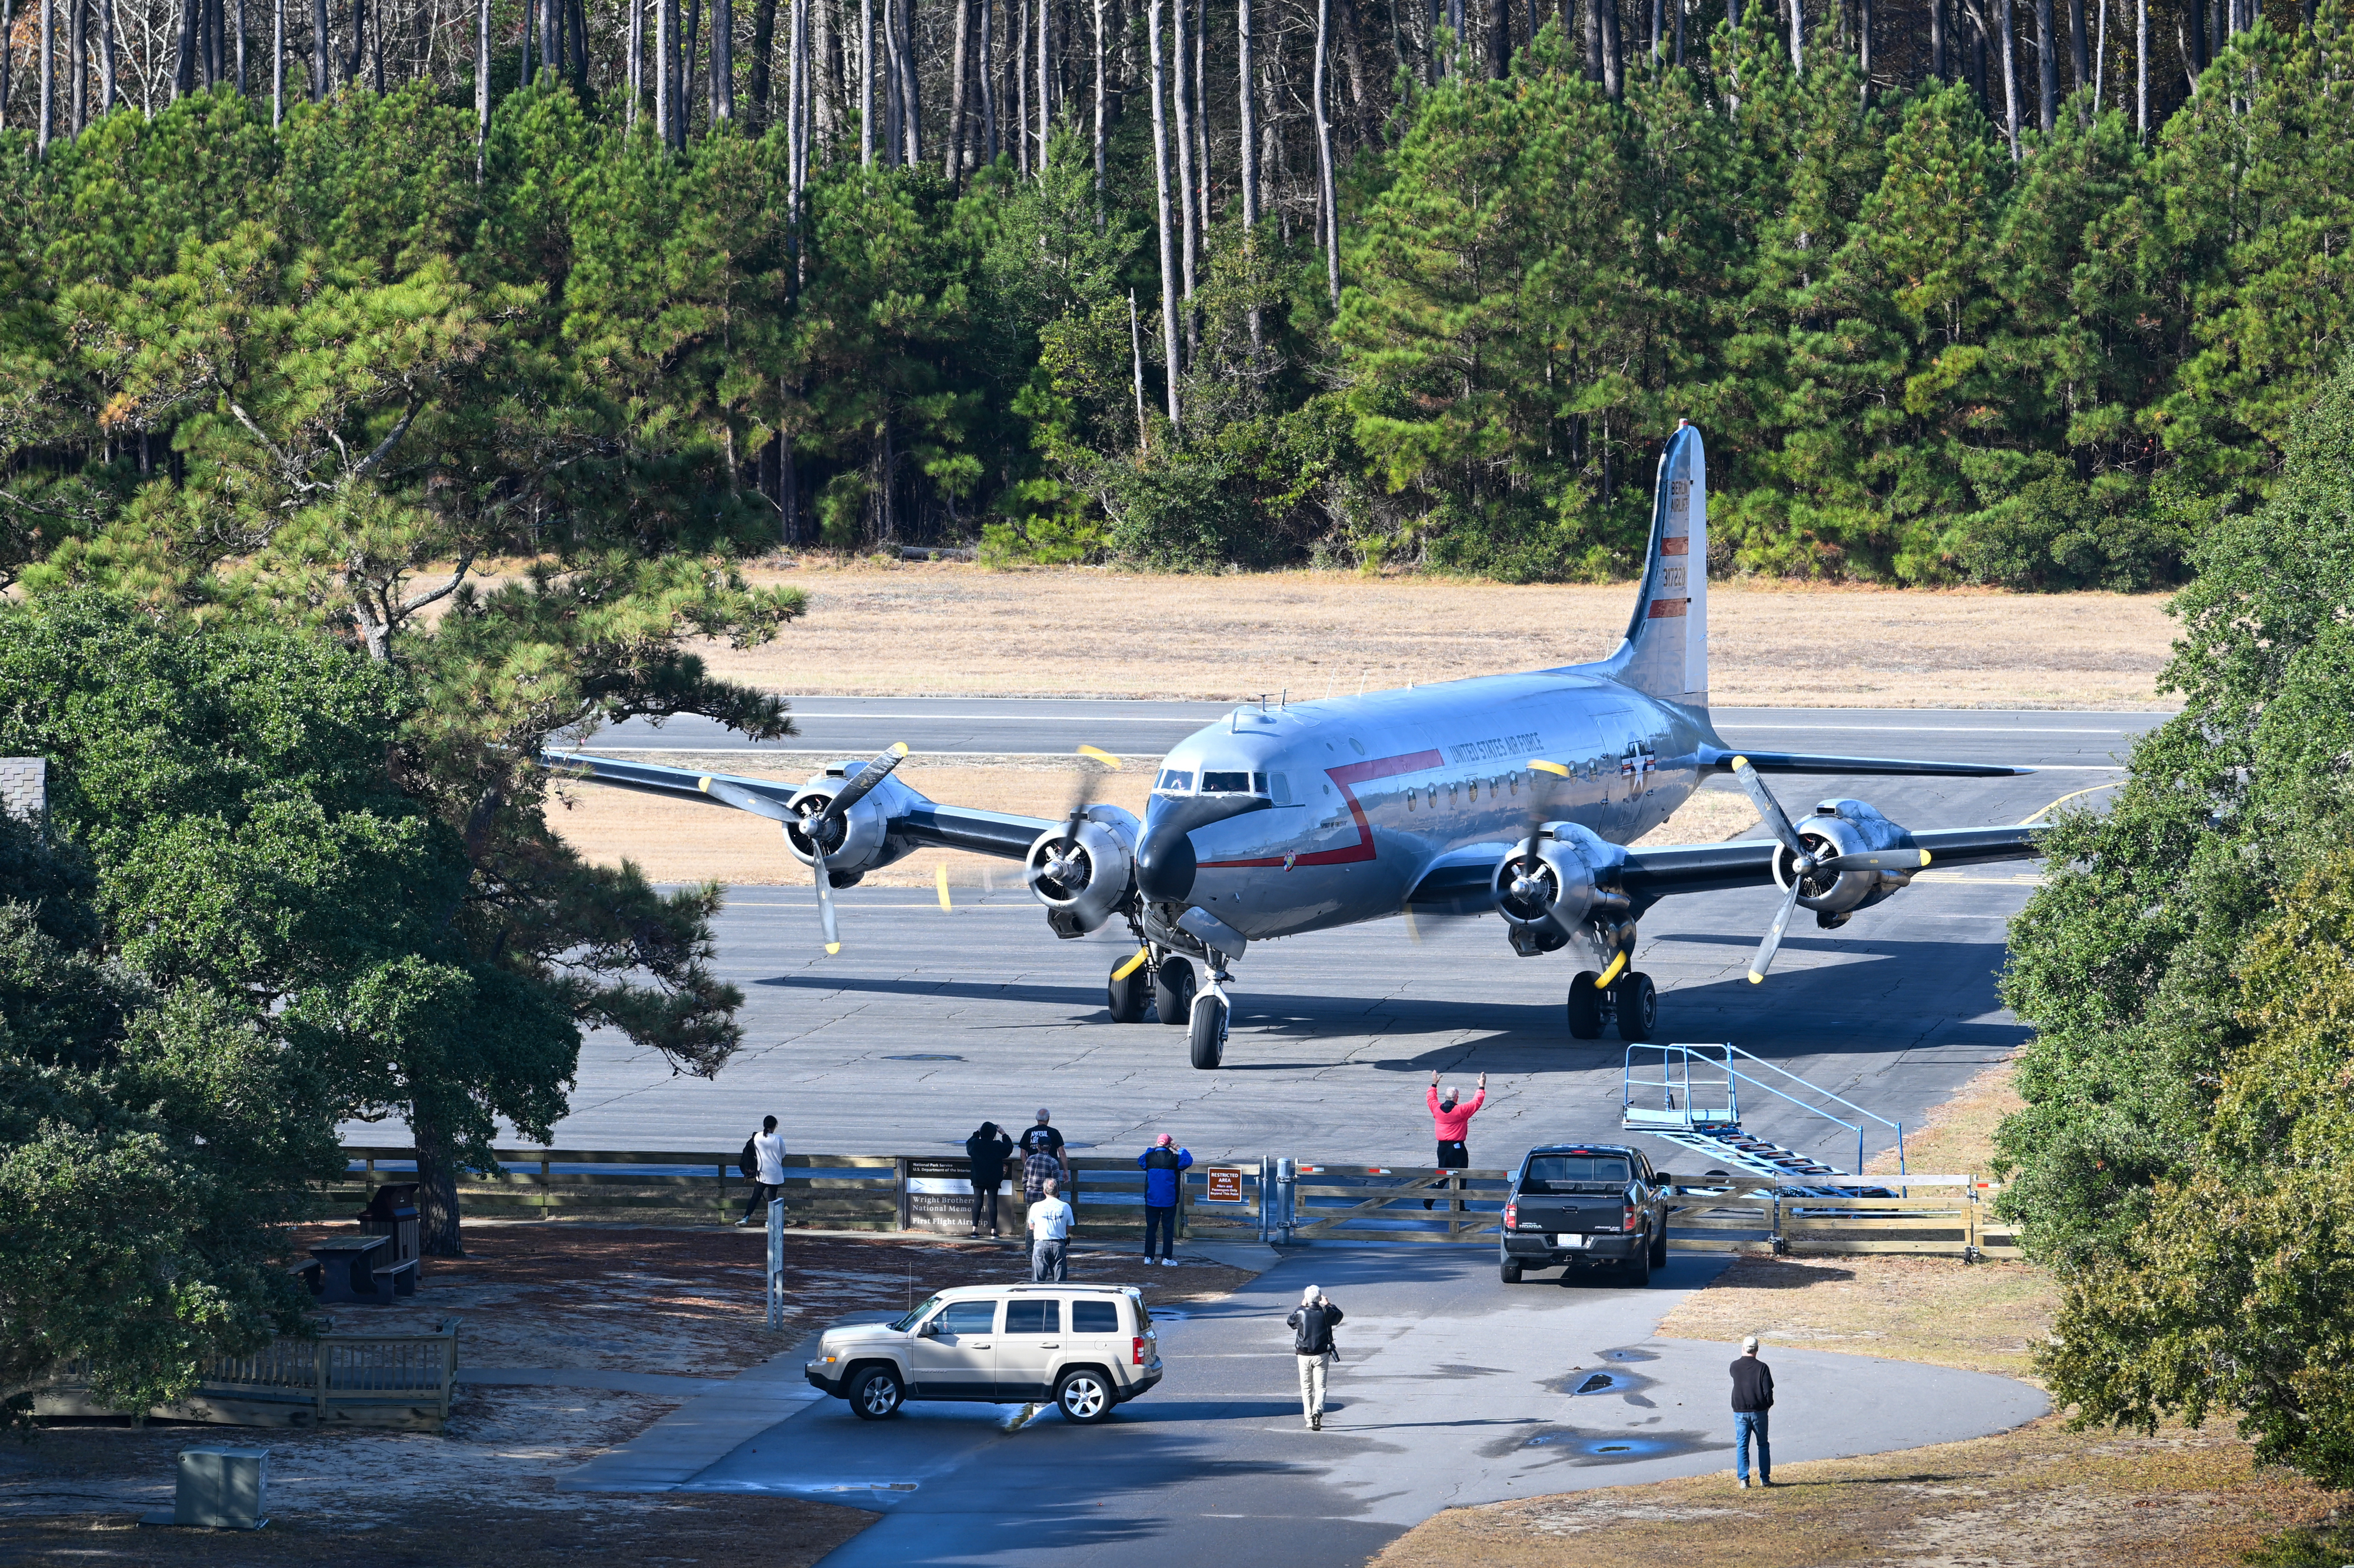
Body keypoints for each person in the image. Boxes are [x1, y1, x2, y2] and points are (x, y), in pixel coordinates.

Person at [1423, 1071, 1487, 1210]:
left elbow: (1430, 1098)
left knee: (1442, 1173)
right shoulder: (1461, 1110)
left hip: (1442, 1147)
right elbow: (1476, 1102)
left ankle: (1429, 1199)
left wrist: (1434, 1084)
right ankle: (1459, 1206)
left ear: (1445, 1097)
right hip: (1457, 1147)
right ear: (1457, 1098)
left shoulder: (1437, 1109)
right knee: (1461, 1176)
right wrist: (1481, 1087)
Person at [1286, 1284, 1344, 1431]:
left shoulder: (1300, 1312)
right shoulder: (1326, 1312)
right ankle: (1318, 1411)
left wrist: (1301, 1305)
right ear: (1319, 1298)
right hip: (1321, 1354)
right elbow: (1339, 1316)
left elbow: (1291, 1322)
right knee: (1321, 1387)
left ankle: (1309, 1419)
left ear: (1307, 1298)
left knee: (1306, 1388)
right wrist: (1328, 1303)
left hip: (1304, 1355)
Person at [1136, 1133, 1193, 1267]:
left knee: (1151, 1228)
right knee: (1168, 1229)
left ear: (1158, 1143)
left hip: (1152, 1199)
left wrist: (1152, 1149)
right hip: (1169, 1199)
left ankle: (1148, 1257)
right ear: (1169, 1145)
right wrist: (1179, 1148)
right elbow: (1188, 1160)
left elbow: (1141, 1161)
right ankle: (1167, 1258)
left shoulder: (1149, 1157)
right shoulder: (1174, 1159)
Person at [1731, 1335, 1774, 1488]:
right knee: (1762, 1444)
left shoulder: (1734, 1366)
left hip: (1740, 1411)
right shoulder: (1762, 1368)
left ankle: (1743, 1479)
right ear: (1757, 1350)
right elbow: (1768, 1390)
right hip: (1759, 1412)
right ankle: (1765, 1479)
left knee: (1742, 1445)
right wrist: (1768, 1405)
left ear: (1743, 1348)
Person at [965, 1120, 1016, 1239]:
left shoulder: (976, 1144)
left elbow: (969, 1144)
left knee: (978, 1201)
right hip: (993, 1177)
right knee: (992, 1203)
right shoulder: (997, 1145)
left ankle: (974, 1230)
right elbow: (1009, 1148)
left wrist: (977, 1132)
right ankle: (993, 1231)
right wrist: (1004, 1134)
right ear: (994, 1134)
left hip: (978, 1177)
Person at [735, 1115, 787, 1226]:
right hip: (775, 1173)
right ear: (775, 1126)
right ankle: (770, 1221)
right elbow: (783, 1155)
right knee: (772, 1198)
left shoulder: (757, 1136)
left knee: (755, 1197)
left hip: (762, 1173)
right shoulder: (778, 1139)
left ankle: (745, 1218)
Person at [1027, 1176, 1073, 1283]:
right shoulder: (1066, 1206)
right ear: (1057, 1191)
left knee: (1037, 1281)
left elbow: (1031, 1226)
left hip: (1041, 1243)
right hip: (1059, 1244)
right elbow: (1069, 1227)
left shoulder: (1035, 1206)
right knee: (1060, 1281)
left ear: (1044, 1191)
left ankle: (1038, 1297)